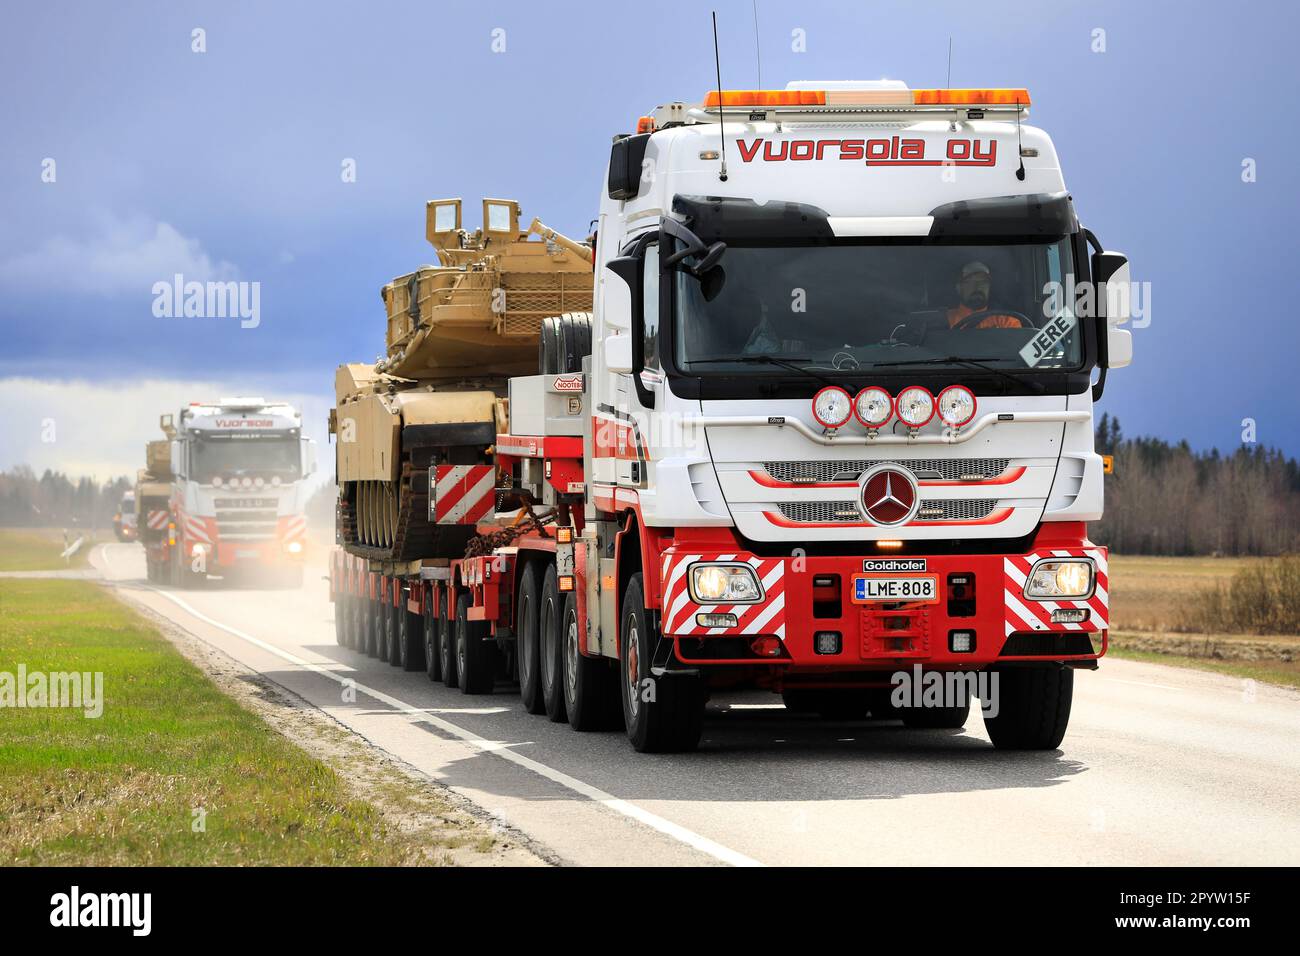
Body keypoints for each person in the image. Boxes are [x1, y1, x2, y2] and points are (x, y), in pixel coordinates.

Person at [946, 261, 1024, 329]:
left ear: (989, 288)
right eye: (970, 282)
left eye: (983, 282)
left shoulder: (1006, 322)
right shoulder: (944, 321)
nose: (978, 286)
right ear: (959, 288)